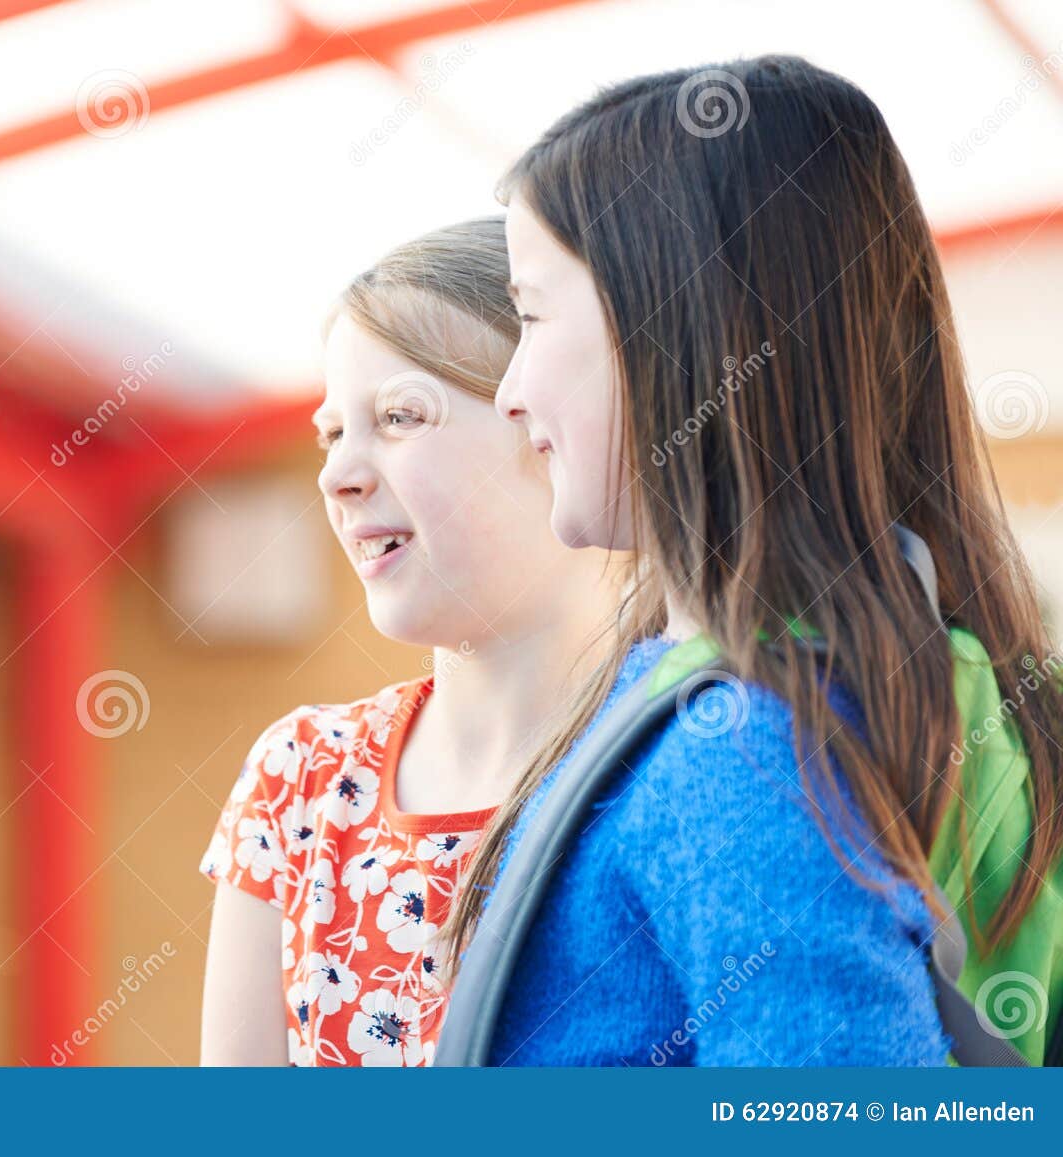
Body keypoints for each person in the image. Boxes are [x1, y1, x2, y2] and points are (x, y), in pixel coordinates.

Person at [443, 55, 1063, 1066]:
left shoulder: (745, 745)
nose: (510, 389)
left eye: (534, 313)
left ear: (683, 326)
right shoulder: (850, 693)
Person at [199, 218, 580, 1065]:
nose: (337, 473)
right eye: (333, 432)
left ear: (558, 426)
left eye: (401, 416)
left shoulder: (689, 751)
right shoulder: (299, 781)